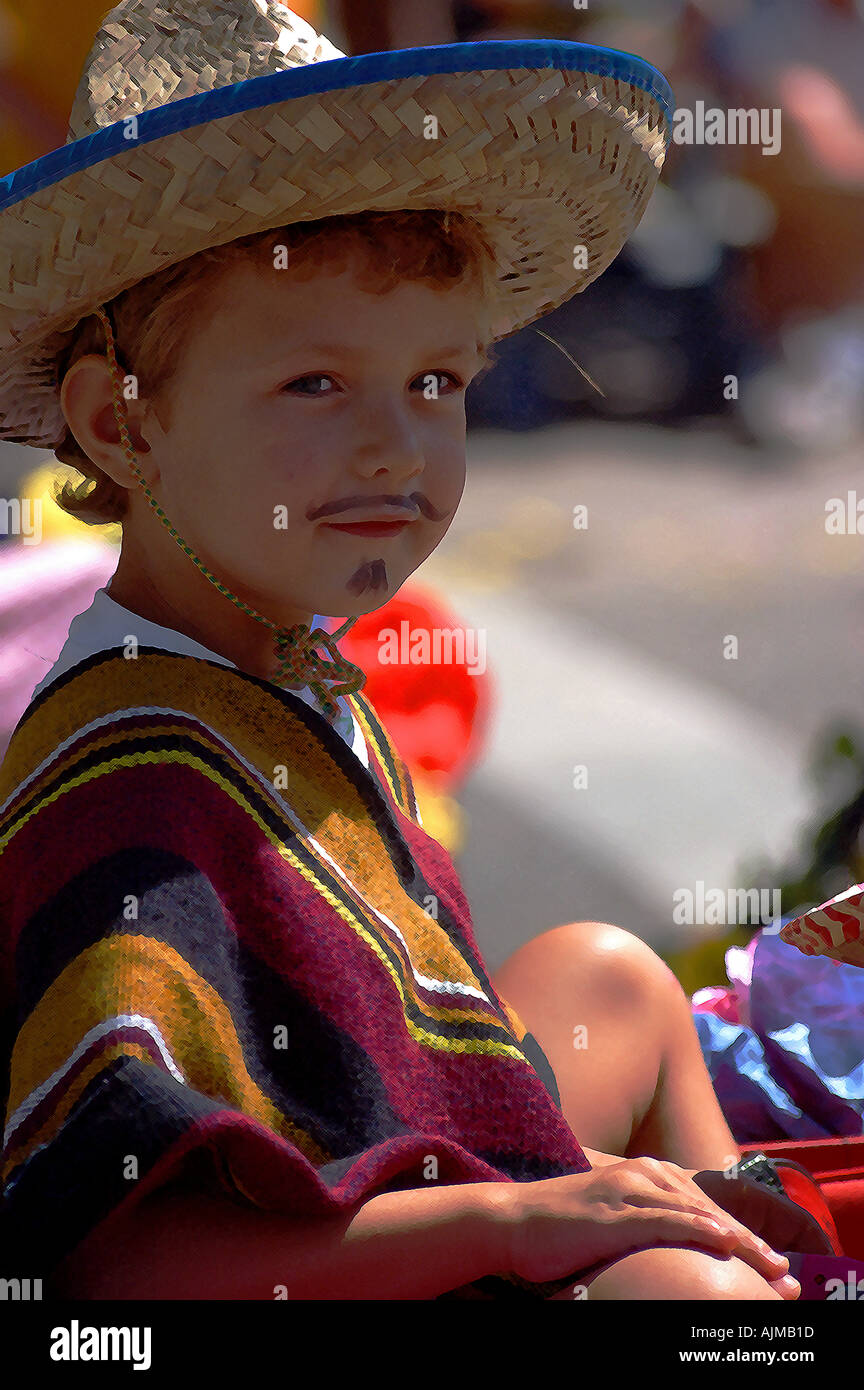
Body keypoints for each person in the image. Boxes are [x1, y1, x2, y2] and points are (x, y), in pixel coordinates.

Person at [0, 0, 800, 1301]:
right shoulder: (137, 784)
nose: (395, 447)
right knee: (681, 1293)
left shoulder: (280, 664)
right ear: (122, 423)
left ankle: (755, 1257)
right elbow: (119, 1258)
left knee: (615, 976)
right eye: (316, 385)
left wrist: (542, 1197)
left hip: (395, 1195)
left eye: (436, 382)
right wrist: (509, 1221)